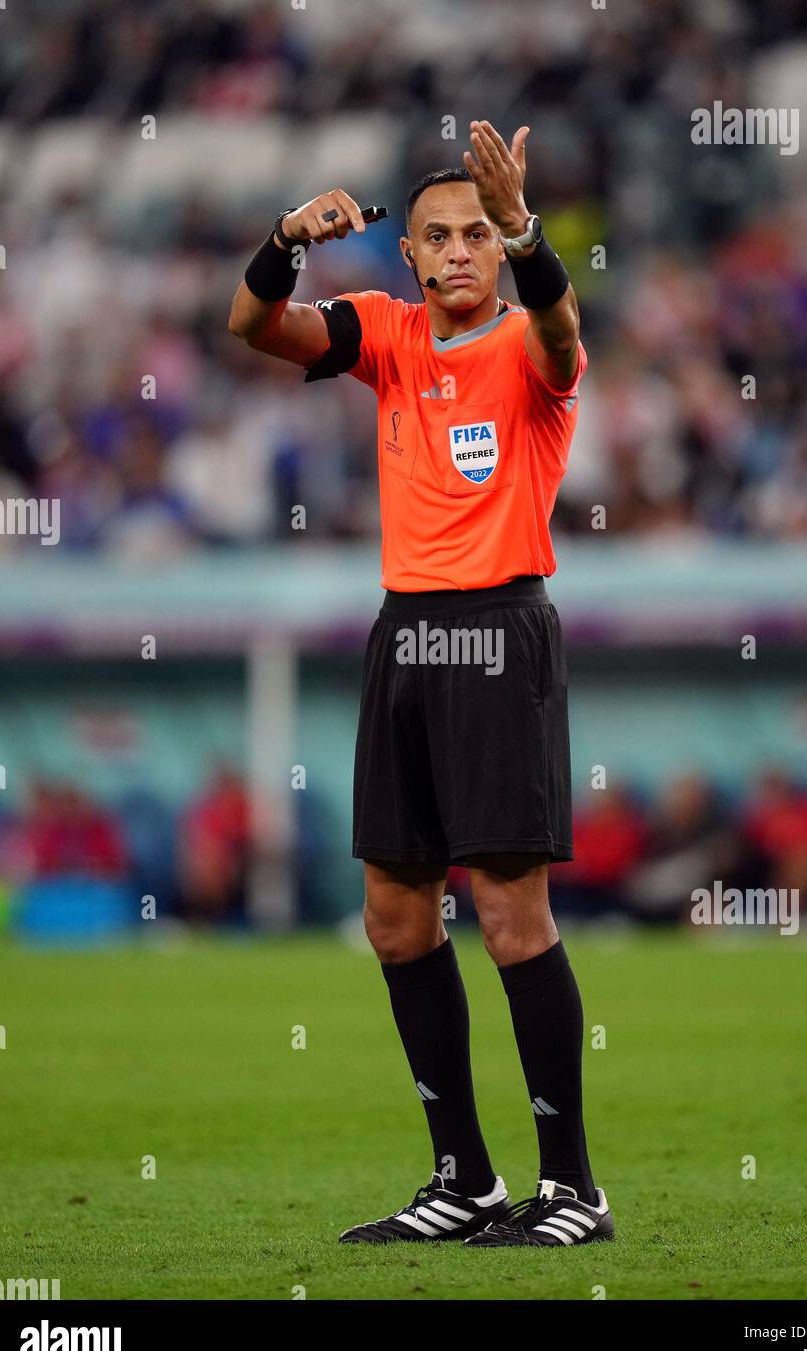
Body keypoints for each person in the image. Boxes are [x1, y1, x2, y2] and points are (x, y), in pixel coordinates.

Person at [229, 120, 613, 1248]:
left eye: (476, 234)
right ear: (410, 256)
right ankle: (464, 1181)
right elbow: (251, 324)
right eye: (437, 235)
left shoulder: (534, 352)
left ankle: (573, 1189)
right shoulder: (388, 337)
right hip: (402, 632)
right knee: (395, 917)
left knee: (507, 912)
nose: (457, 251)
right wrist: (287, 238)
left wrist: (531, 228)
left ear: (498, 247)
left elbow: (561, 322)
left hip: (499, 627)